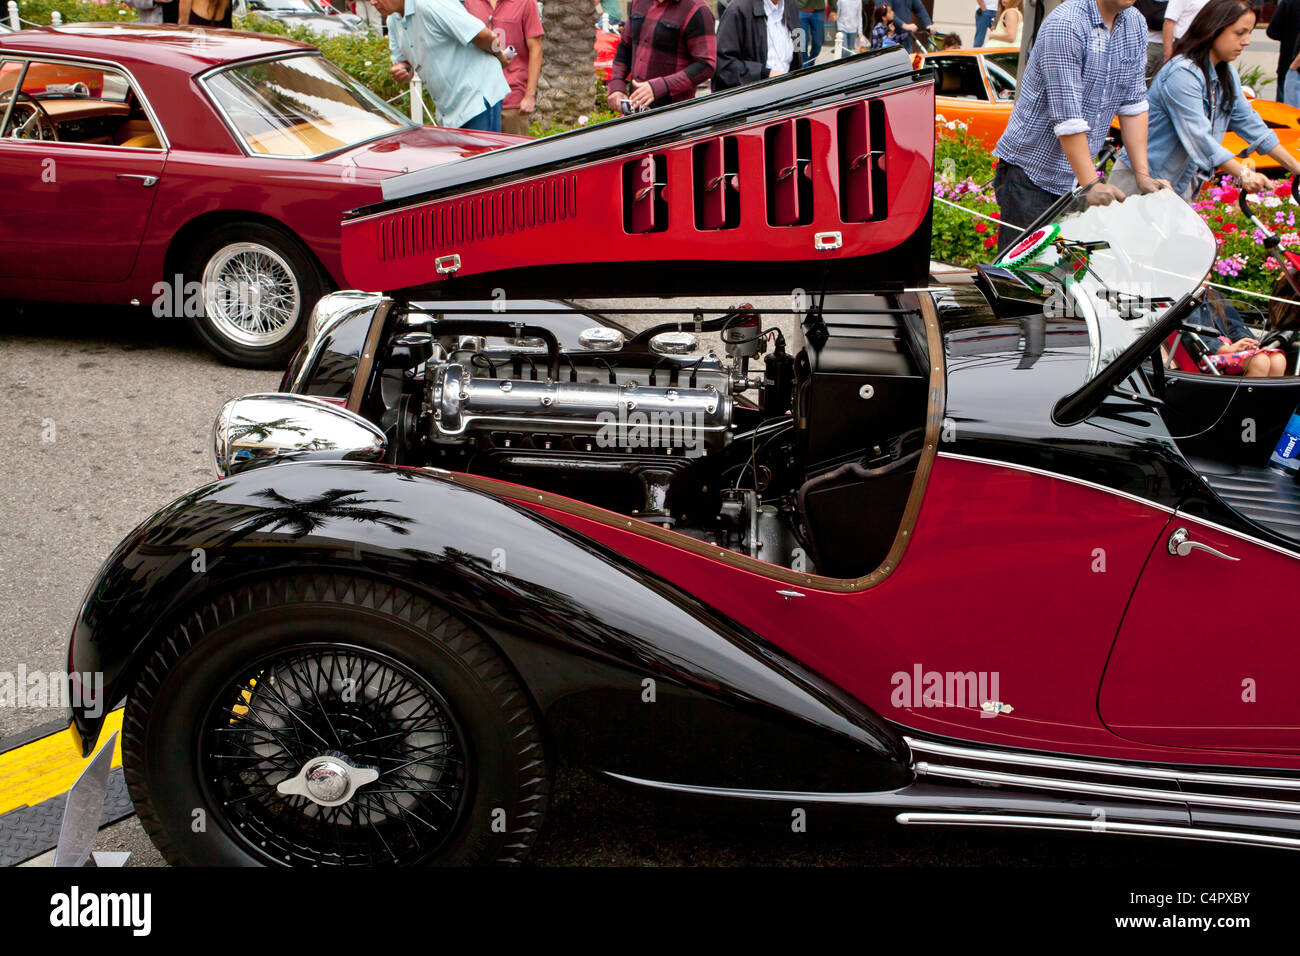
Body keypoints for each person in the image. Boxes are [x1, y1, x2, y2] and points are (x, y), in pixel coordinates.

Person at [992, 0, 1169, 253]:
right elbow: (1067, 118)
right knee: (1022, 279)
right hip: (1030, 174)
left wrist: (1143, 176)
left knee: (1063, 278)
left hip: (1074, 178)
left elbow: (1134, 104)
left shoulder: (1135, 24)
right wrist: (1091, 185)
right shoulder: (1066, 24)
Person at [1110, 0, 1300, 200]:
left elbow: (1251, 125)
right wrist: (1243, 173)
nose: (1247, 41)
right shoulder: (1182, 73)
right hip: (1140, 182)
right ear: (1214, 29)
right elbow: (1199, 138)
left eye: (1250, 33)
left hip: (1177, 186)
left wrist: (1295, 166)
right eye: (1239, 33)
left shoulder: (1226, 73)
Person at [376, 0, 512, 132]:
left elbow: (485, 35)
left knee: (484, 155)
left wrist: (500, 56)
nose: (372, 2)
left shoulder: (431, 4)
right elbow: (406, 65)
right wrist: (402, 70)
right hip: (449, 111)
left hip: (477, 99)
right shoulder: (392, 21)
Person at [606, 0, 716, 110]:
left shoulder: (697, 10)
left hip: (674, 112)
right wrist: (617, 86)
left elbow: (706, 65)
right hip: (636, 109)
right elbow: (625, 47)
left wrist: (659, 87)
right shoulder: (639, 2)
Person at [465, 0, 544, 136]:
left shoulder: (526, 2)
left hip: (512, 99)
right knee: (479, 155)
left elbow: (535, 49)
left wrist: (529, 96)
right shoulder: (469, 2)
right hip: (477, 100)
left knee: (516, 155)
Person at [713, 0, 801, 90]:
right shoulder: (738, 9)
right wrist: (765, 74)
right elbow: (723, 64)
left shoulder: (791, 5)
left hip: (786, 93)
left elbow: (798, 48)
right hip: (752, 96)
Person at [1268, 0, 1300, 101]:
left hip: (1288, 62)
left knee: (1284, 109)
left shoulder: (1288, 3)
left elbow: (1272, 31)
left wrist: (1289, 38)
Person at [796, 0, 836, 66]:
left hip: (818, 11)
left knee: (818, 42)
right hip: (800, 9)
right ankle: (803, 65)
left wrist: (833, 9)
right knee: (799, 41)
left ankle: (810, 63)